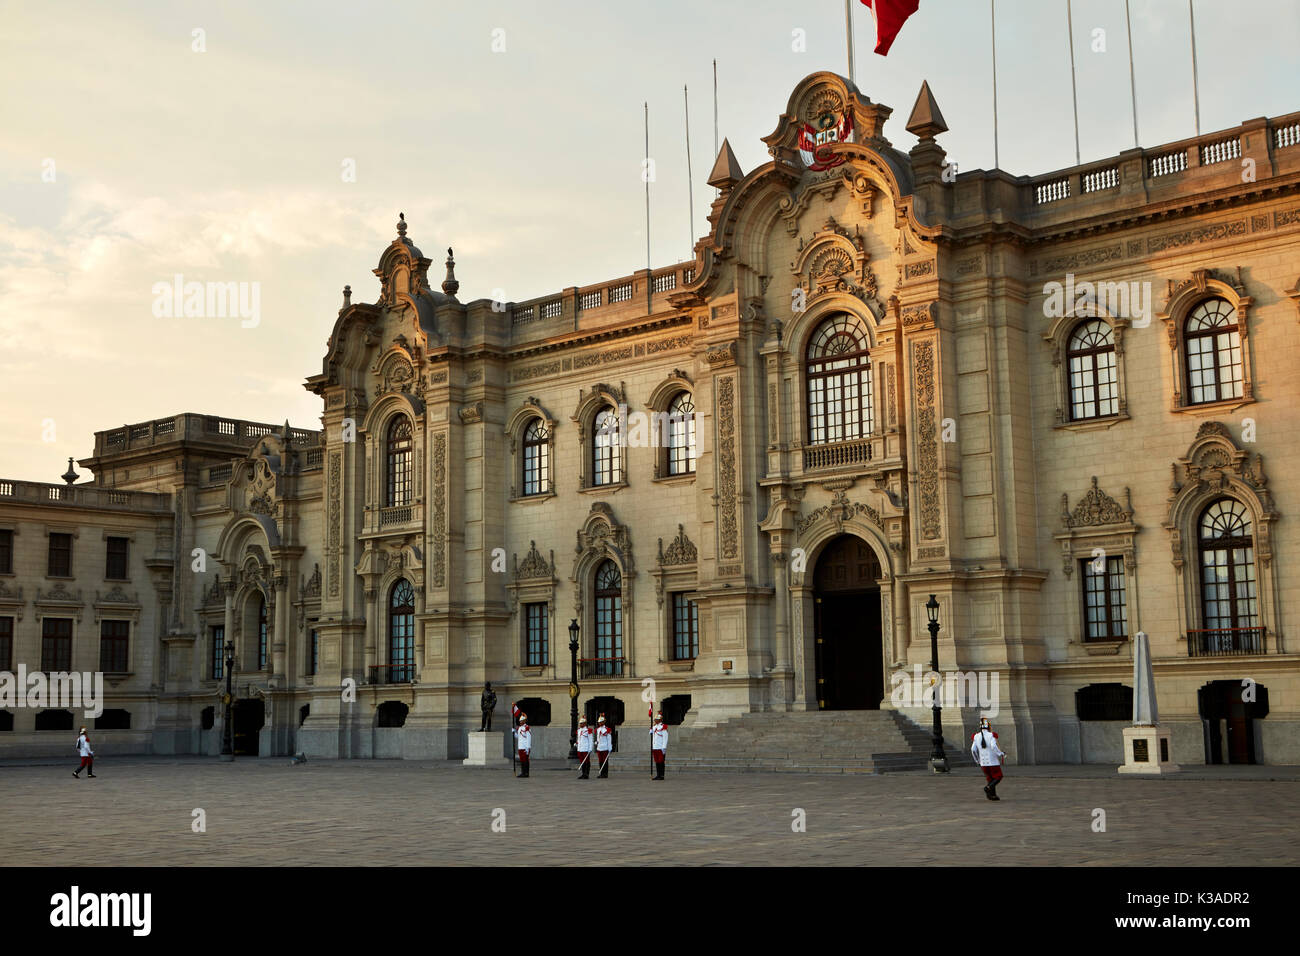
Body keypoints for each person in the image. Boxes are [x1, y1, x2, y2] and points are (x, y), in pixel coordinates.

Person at [970, 717, 1005, 800]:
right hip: (993, 761)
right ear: (988, 726)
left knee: (990, 778)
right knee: (998, 776)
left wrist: (977, 760)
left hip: (983, 762)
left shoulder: (976, 736)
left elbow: (973, 749)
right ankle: (988, 788)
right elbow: (993, 746)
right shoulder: (991, 735)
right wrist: (1000, 753)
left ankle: (992, 795)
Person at [650, 710, 668, 780]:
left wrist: (664, 747)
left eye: (656, 719)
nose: (655, 720)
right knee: (657, 762)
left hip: (660, 747)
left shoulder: (663, 727)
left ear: (660, 720)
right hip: (655, 747)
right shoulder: (654, 727)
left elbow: (665, 738)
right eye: (655, 719)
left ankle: (662, 775)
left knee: (661, 762)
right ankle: (658, 775)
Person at [595, 714, 613, 778]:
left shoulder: (607, 729)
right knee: (600, 761)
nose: (600, 723)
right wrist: (597, 742)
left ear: (604, 722)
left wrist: (610, 748)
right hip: (599, 747)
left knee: (605, 761)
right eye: (599, 722)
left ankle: (605, 774)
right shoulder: (598, 729)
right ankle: (601, 773)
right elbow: (598, 737)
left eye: (601, 722)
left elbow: (609, 739)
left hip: (605, 747)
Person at [576, 715, 593, 779]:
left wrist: (590, 748)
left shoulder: (588, 730)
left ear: (585, 723)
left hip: (586, 748)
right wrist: (577, 744)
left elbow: (590, 740)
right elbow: (579, 739)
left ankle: (587, 774)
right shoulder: (579, 730)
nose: (580, 724)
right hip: (580, 748)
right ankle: (583, 773)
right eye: (580, 723)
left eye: (581, 723)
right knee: (582, 761)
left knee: (586, 761)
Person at [515, 711, 531, 778]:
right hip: (520, 746)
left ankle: (526, 773)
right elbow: (519, 737)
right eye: (520, 720)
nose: (520, 722)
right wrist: (514, 733)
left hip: (525, 747)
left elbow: (529, 738)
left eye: (521, 720)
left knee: (525, 760)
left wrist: (528, 747)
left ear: (524, 721)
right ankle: (523, 772)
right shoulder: (520, 728)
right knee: (522, 760)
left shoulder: (527, 728)